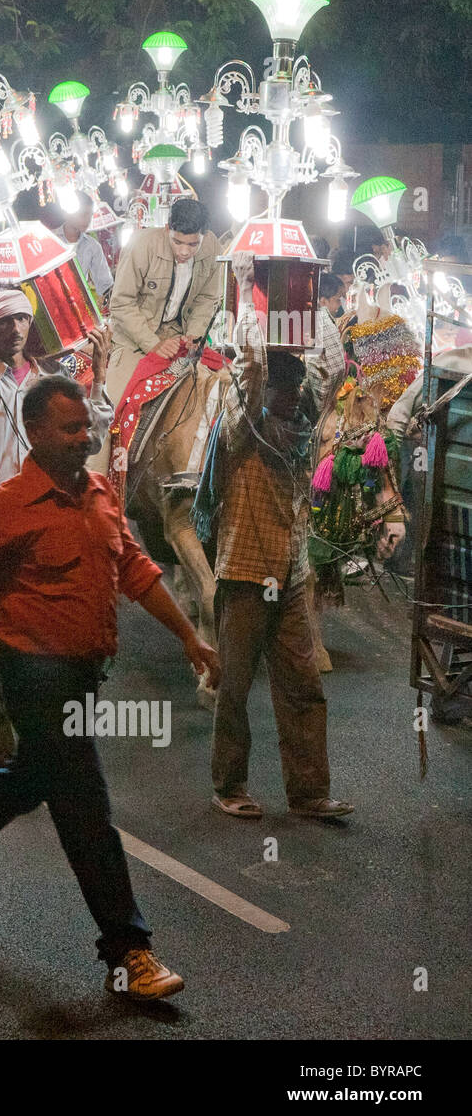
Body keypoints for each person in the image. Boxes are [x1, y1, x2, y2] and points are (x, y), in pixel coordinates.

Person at [0, 374, 219, 1001]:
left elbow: (135, 569)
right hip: (33, 674)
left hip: (85, 673)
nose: (85, 439)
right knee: (85, 805)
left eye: (87, 428)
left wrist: (189, 637)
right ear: (34, 432)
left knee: (30, 777)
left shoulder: (100, 493)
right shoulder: (3, 510)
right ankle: (129, 951)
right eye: (71, 429)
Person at [202, 252, 353, 820]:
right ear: (266, 395)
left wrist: (308, 307)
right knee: (235, 688)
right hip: (244, 569)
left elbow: (331, 367)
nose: (291, 408)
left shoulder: (302, 429)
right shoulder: (242, 424)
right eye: (282, 398)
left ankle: (309, 792)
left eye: (296, 401)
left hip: (290, 573)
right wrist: (247, 301)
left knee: (303, 686)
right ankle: (230, 786)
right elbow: (247, 375)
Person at [0, 288, 113, 773]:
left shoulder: (48, 384)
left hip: (46, 541)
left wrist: (95, 383)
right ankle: (2, 767)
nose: (15, 330)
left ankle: (44, 755)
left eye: (22, 320)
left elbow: (89, 438)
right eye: (4, 322)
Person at [97, 197, 222, 470]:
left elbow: (207, 299)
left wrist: (194, 335)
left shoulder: (212, 247)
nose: (185, 251)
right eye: (178, 242)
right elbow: (121, 303)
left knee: (225, 377)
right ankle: (96, 485)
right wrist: (152, 343)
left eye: (193, 244)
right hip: (132, 340)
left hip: (180, 336)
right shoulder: (142, 245)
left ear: (204, 236)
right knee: (111, 409)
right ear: (167, 229)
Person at [58, 191, 114, 297]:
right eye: (83, 214)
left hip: (80, 302)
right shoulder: (51, 240)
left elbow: (105, 284)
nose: (88, 220)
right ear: (67, 212)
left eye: (90, 215)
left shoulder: (93, 246)